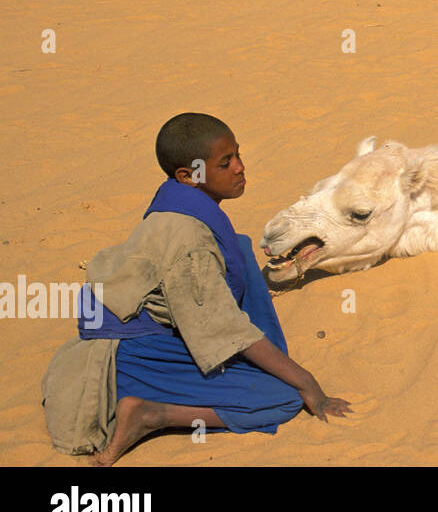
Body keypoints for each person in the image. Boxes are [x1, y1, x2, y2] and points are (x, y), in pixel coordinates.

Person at [42, 113, 350, 465]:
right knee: (281, 397)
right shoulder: (190, 244)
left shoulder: (176, 205)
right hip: (130, 357)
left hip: (144, 334)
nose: (239, 168)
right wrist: (309, 383)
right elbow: (224, 331)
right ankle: (152, 414)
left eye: (237, 154)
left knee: (239, 249)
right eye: (225, 162)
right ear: (188, 177)